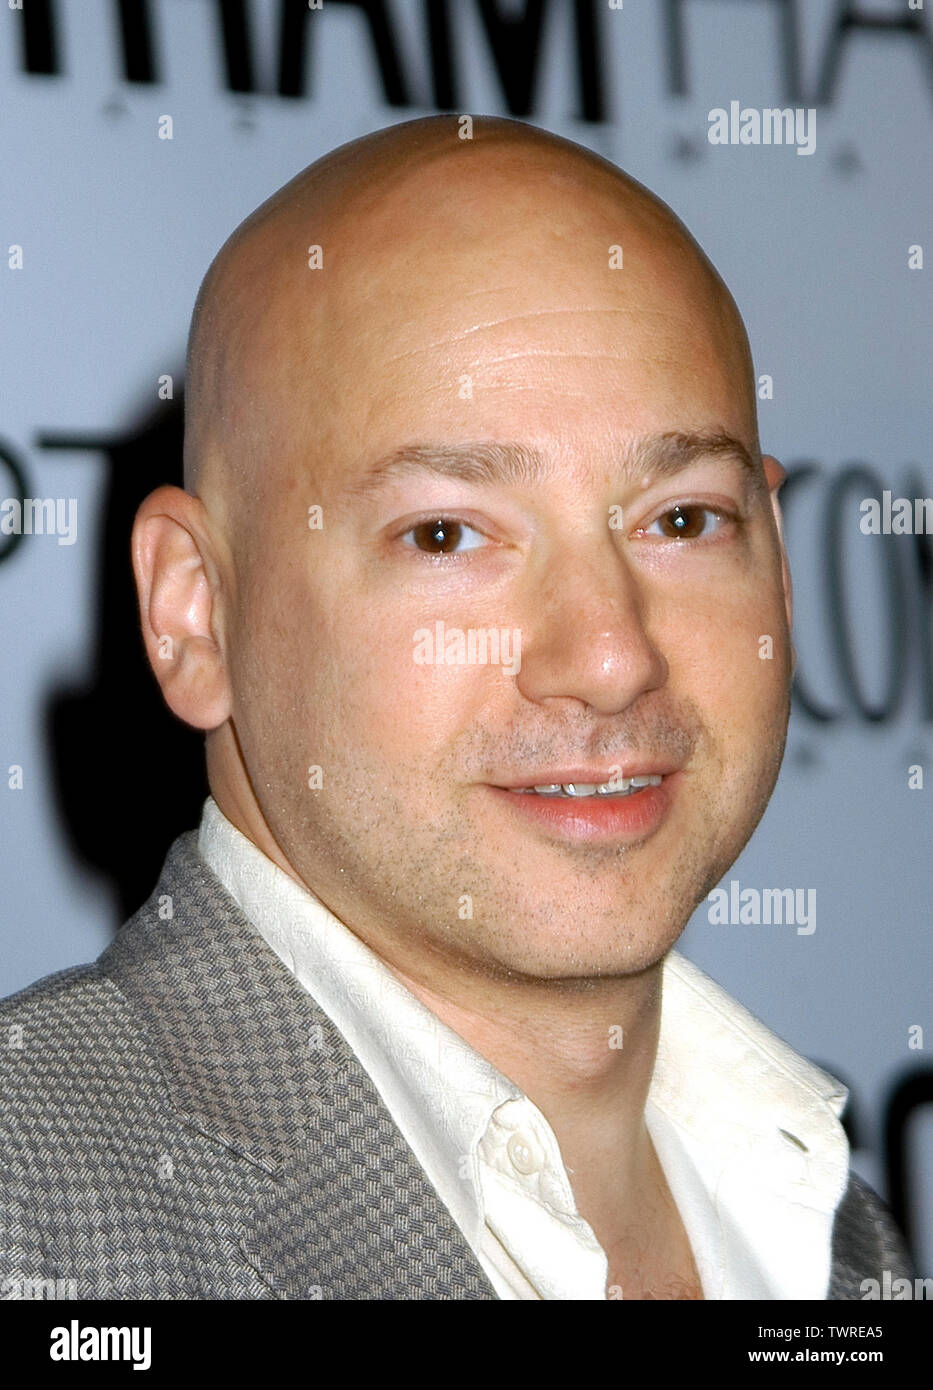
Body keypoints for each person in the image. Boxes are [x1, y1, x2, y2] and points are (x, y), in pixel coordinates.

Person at [0, 115, 913, 1300]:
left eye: (682, 519)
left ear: (781, 565)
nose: (609, 655)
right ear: (196, 612)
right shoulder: (33, 1220)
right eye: (445, 534)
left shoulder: (831, 1232)